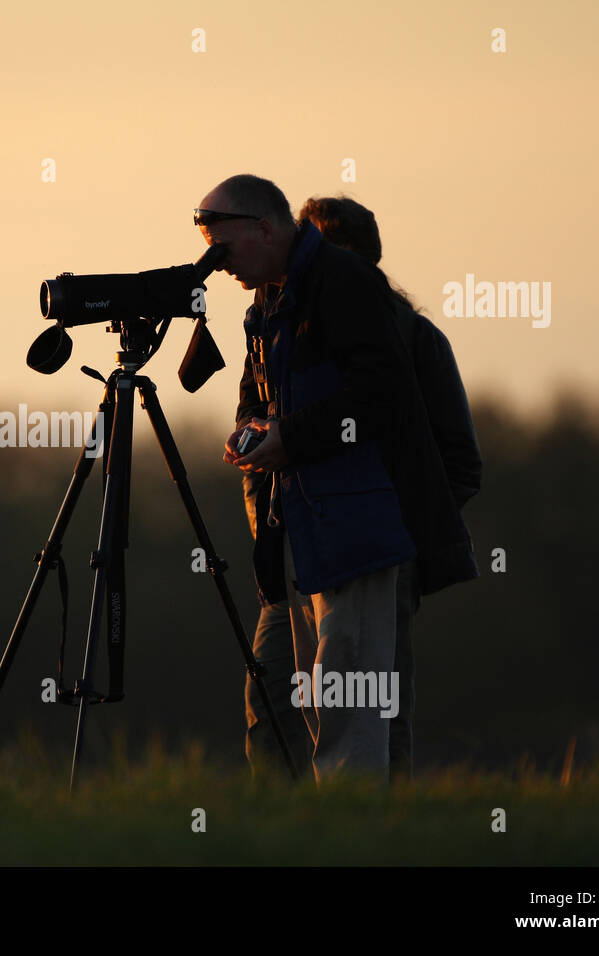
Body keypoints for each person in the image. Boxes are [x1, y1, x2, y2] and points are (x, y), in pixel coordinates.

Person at [193, 174, 477, 782]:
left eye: (226, 247)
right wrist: (254, 437)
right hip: (298, 538)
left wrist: (400, 536)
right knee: (287, 697)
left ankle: (364, 827)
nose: (221, 267)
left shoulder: (388, 320)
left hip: (363, 540)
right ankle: (294, 827)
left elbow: (432, 443)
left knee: (357, 704)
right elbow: (259, 404)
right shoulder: (269, 307)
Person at [297, 196, 482, 778]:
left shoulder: (417, 341)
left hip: (379, 556)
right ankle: (279, 825)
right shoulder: (283, 333)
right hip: (296, 554)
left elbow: (460, 463)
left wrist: (395, 536)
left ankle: (383, 830)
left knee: (378, 704)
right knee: (277, 695)